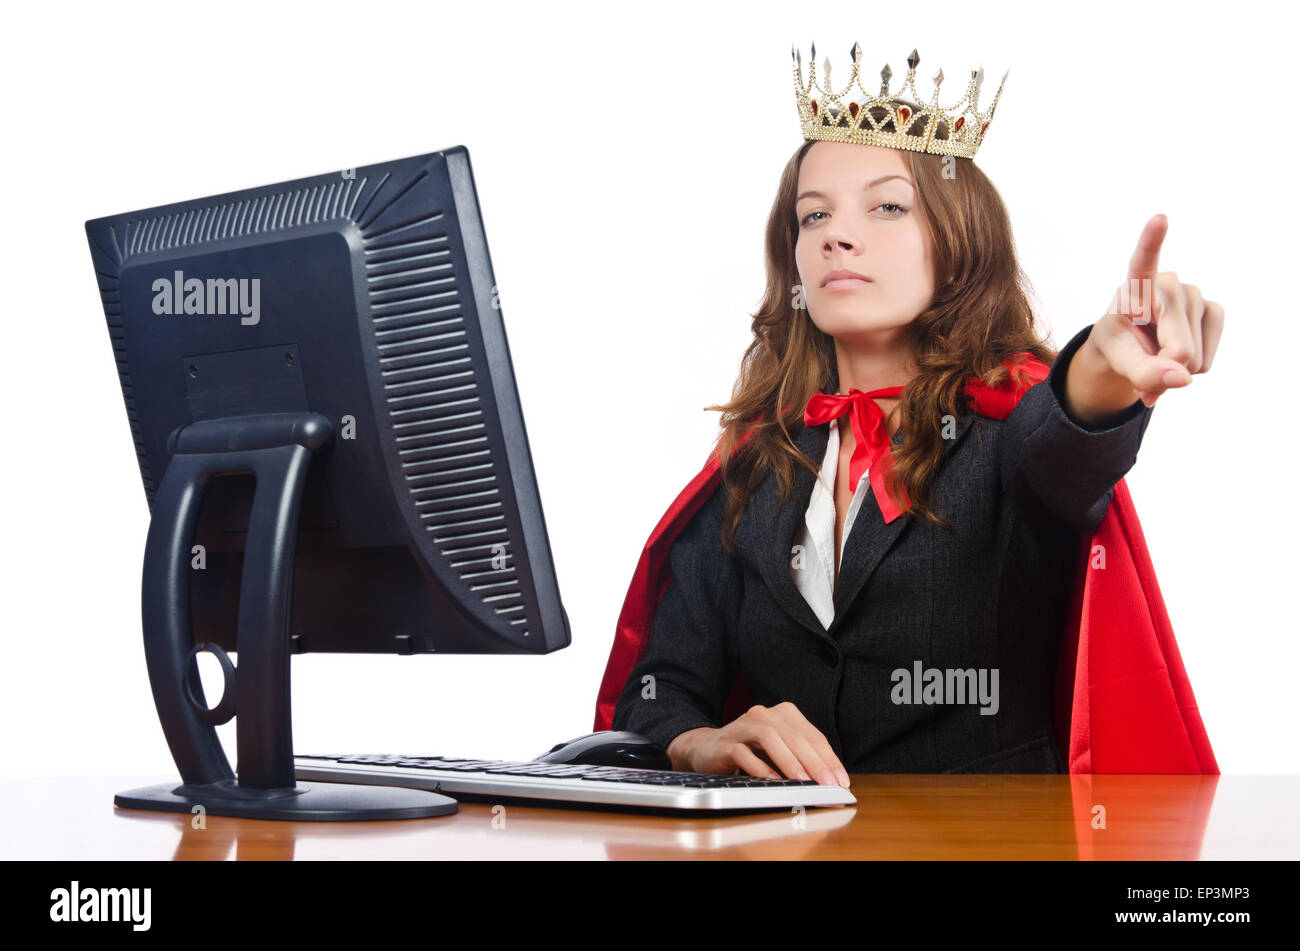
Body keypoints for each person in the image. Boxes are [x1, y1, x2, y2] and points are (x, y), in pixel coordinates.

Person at [608, 46, 1224, 782]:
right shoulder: (755, 459)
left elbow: (1068, 438)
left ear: (958, 243)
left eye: (888, 206)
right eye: (814, 215)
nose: (838, 233)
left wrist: (1103, 360)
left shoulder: (1005, 436)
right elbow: (657, 693)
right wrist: (698, 741)